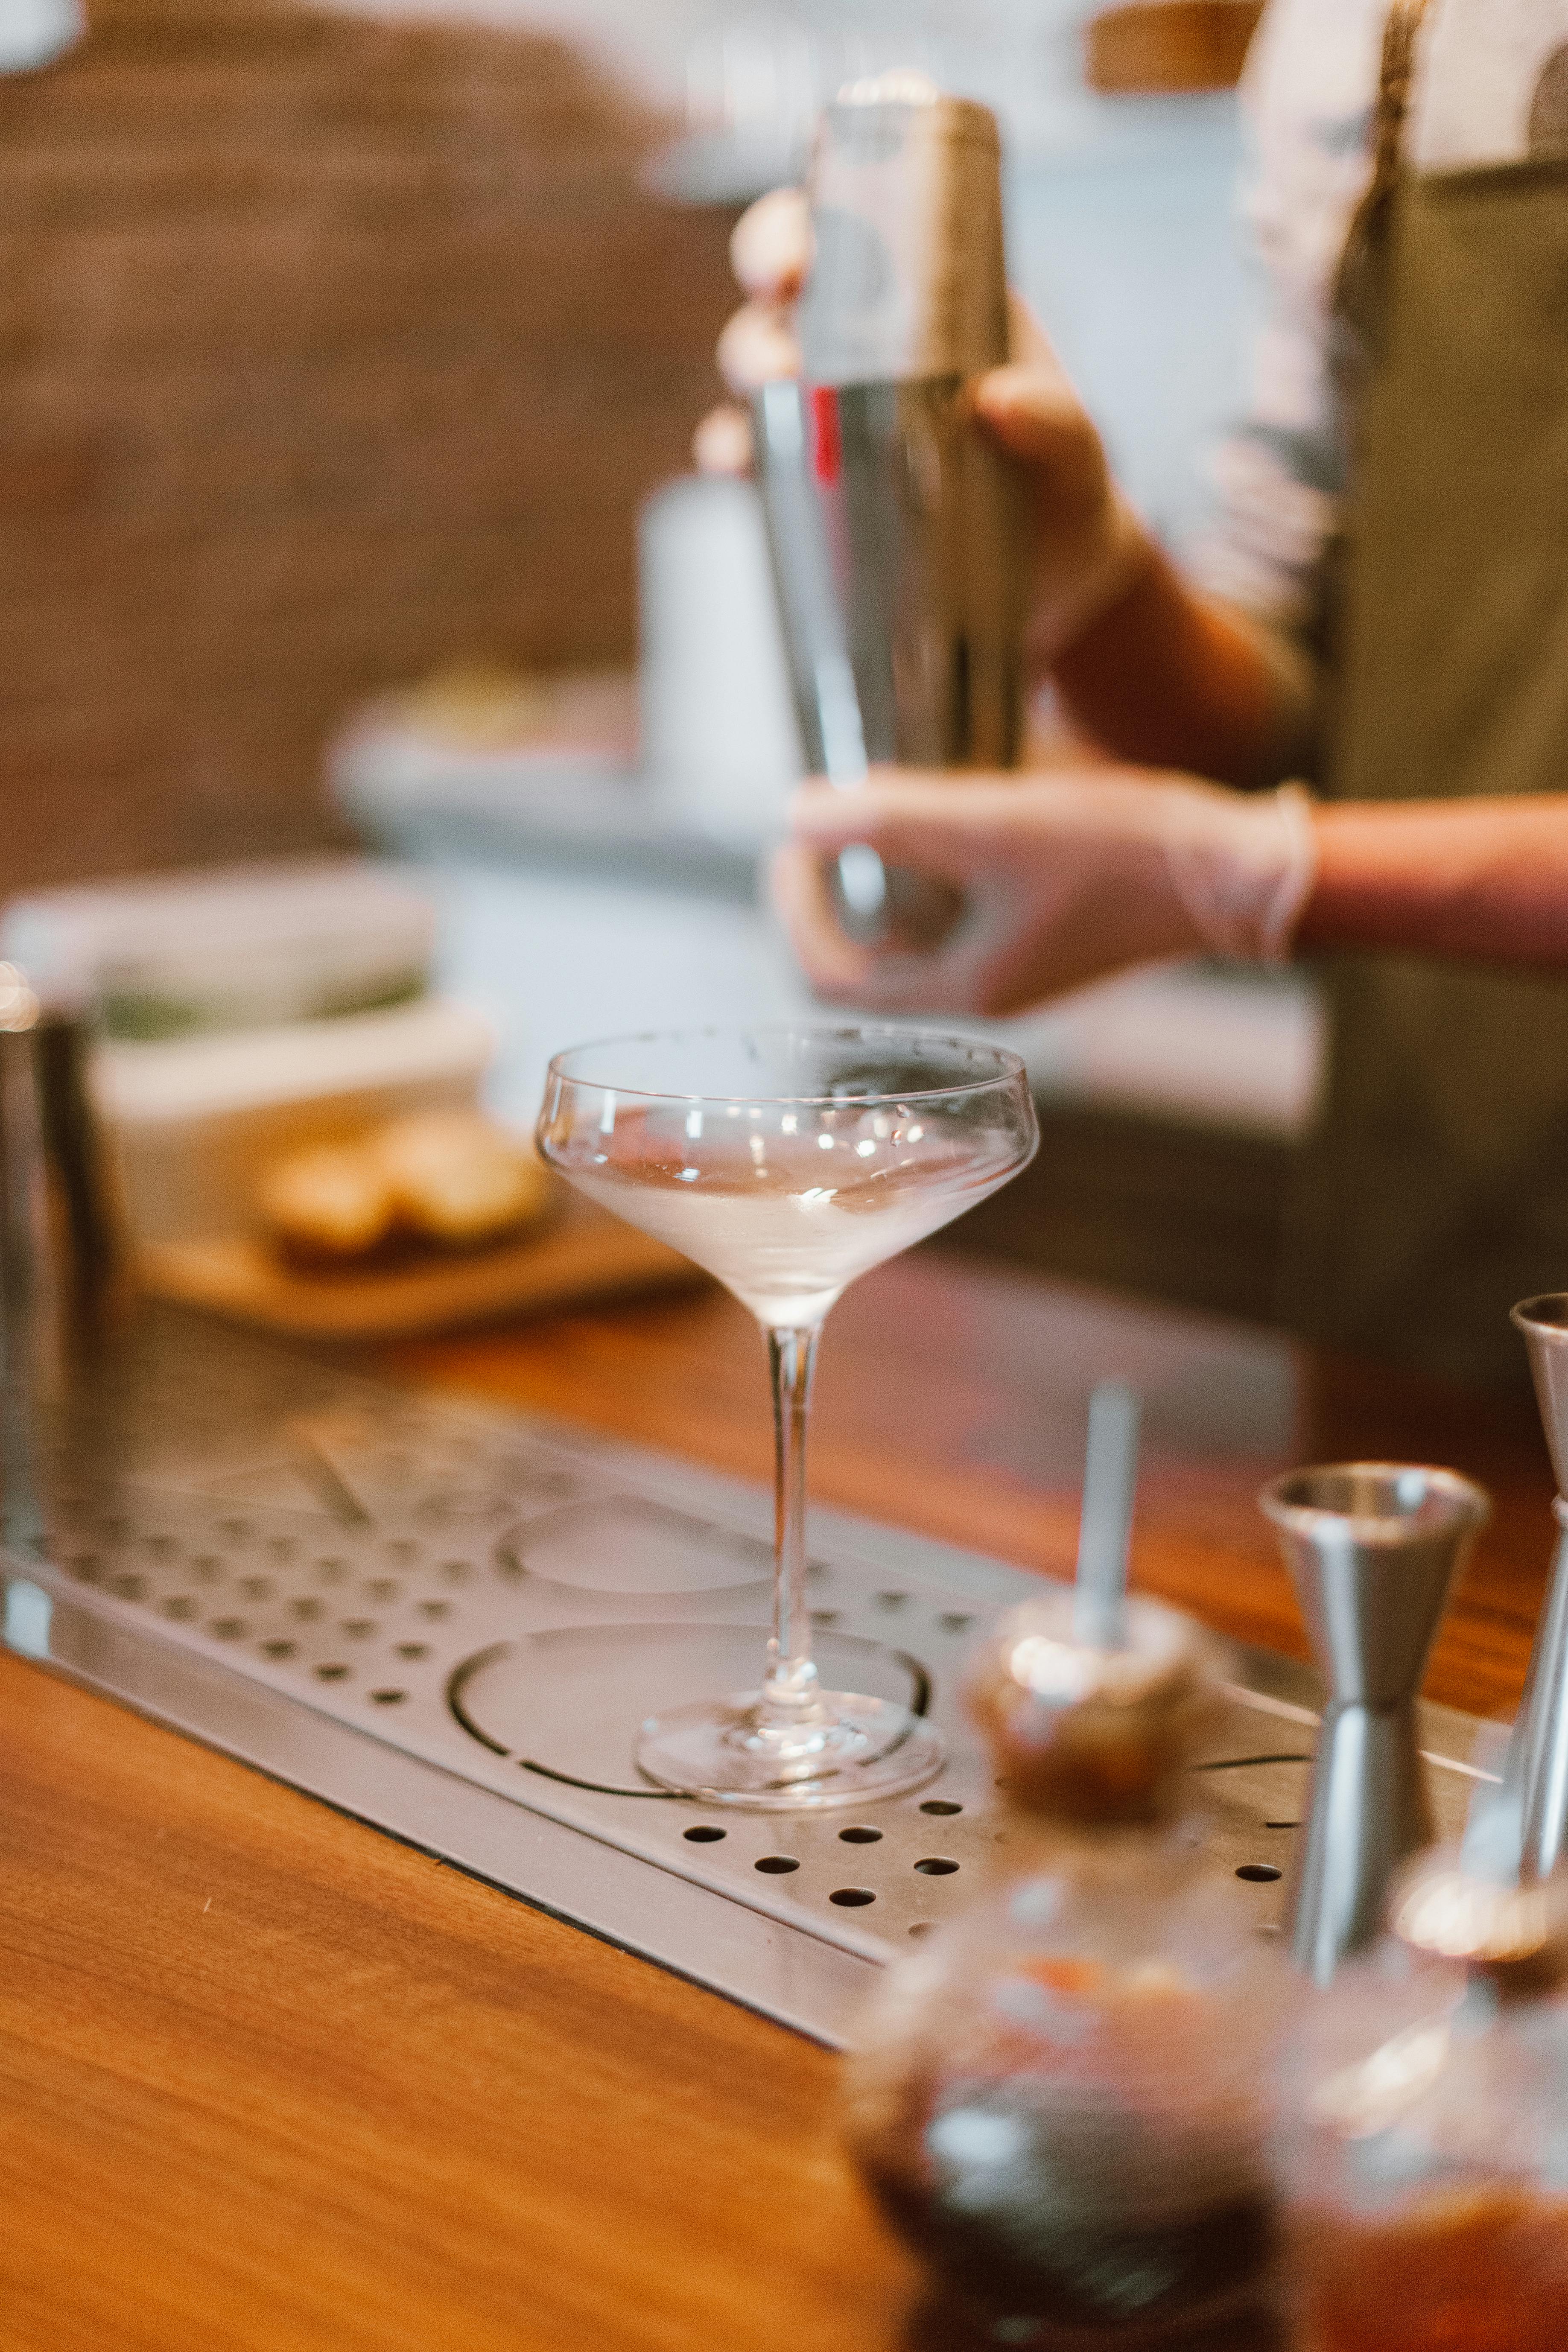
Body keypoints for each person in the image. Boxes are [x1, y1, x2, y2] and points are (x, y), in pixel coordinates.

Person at [703, 0, 1568, 1389]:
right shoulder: (1361, 39)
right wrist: (1077, 573)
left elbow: (1262, 832)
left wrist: (1260, 878)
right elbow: (1286, 703)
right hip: (1445, 1258)